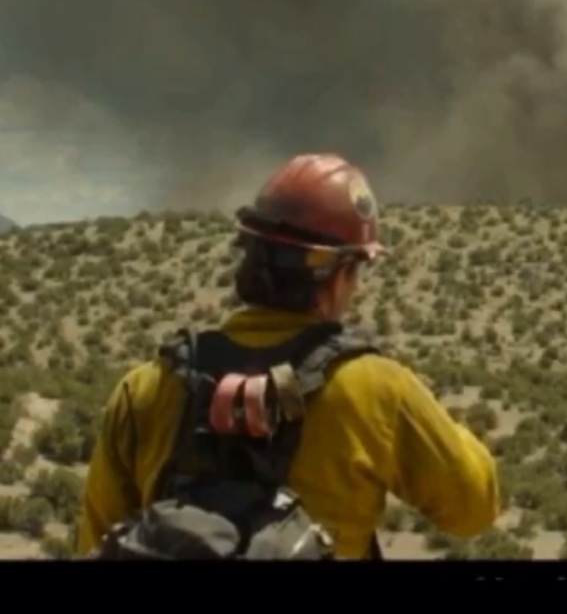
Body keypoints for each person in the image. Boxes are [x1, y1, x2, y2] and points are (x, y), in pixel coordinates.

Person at [76, 153, 501, 559]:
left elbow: (98, 540)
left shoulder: (145, 388)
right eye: (356, 270)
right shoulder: (377, 389)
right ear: (337, 275)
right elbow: (473, 508)